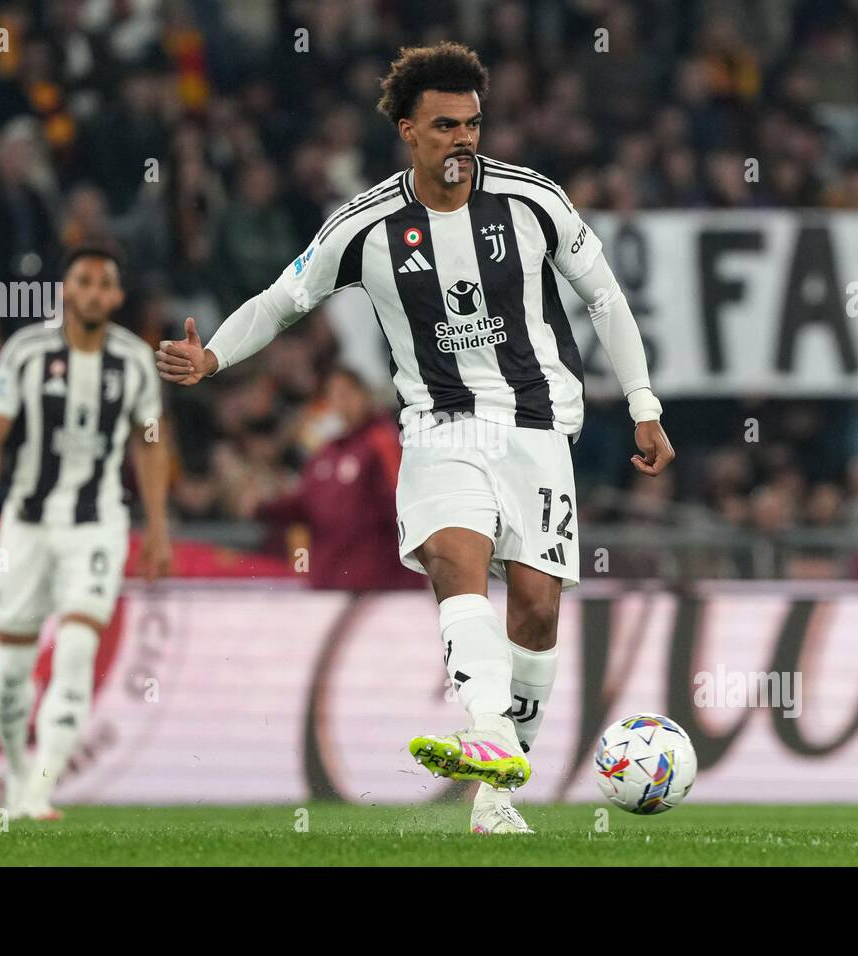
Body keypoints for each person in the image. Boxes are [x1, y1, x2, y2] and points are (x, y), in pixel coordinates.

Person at [156, 43, 672, 834]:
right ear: (408, 131)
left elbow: (604, 298)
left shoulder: (533, 202)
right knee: (455, 562)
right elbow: (280, 301)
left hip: (537, 428)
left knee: (534, 609)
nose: (462, 139)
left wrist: (643, 402)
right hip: (438, 428)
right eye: (444, 126)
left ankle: (498, 793)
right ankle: (490, 738)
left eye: (472, 124)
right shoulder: (364, 227)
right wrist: (214, 353)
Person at [0, 247, 172, 820]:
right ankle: (17, 771)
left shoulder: (133, 362)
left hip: (97, 523)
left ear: (117, 297)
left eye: (105, 284)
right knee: (9, 676)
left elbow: (151, 441)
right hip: (25, 526)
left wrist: (157, 528)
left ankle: (40, 793)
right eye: (83, 281)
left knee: (77, 650)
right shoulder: (26, 352)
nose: (94, 292)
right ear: (64, 291)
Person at [254, 366, 425, 590]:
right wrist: (263, 506)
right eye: (334, 396)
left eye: (347, 394)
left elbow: (402, 504)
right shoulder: (326, 452)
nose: (342, 403)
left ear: (363, 395)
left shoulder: (382, 441)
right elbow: (307, 504)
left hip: (382, 586)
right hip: (330, 580)